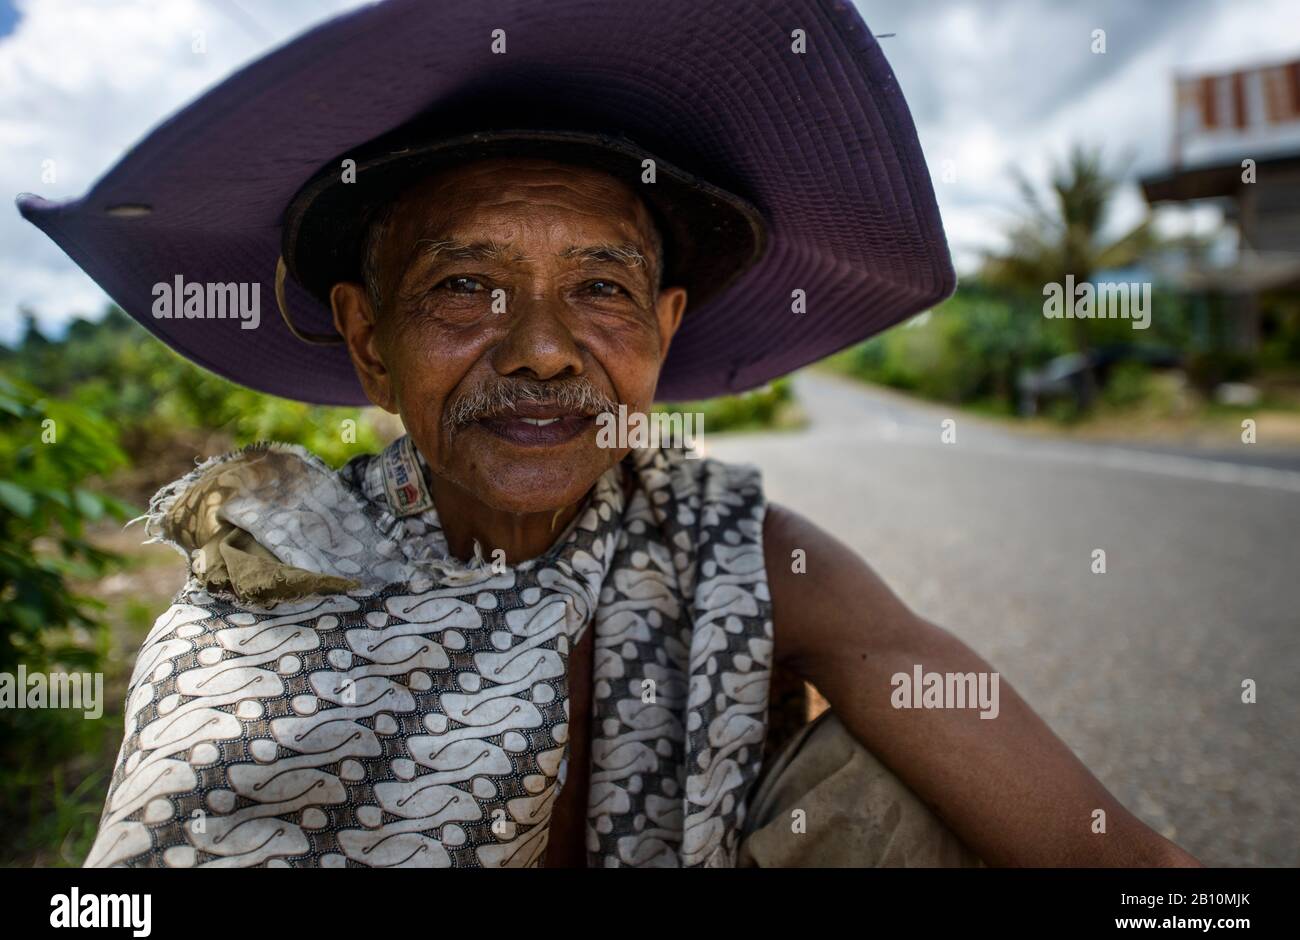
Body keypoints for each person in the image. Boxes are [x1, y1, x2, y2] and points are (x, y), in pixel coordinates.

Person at [20, 0, 1198, 868]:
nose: (540, 349)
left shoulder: (750, 560)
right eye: (462, 287)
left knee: (882, 795)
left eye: (601, 288)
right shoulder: (259, 605)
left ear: (663, 329)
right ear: (368, 342)